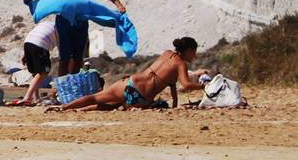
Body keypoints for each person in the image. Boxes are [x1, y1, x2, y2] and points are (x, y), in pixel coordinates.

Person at [47, 37, 208, 111]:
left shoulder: (167, 54)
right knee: (114, 104)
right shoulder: (181, 64)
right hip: (141, 98)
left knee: (99, 98)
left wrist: (174, 103)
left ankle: (65, 107)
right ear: (188, 50)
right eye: (194, 52)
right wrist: (203, 85)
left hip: (130, 83)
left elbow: (170, 82)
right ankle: (83, 109)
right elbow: (185, 85)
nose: (194, 56)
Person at [12, 18, 57, 105]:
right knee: (43, 72)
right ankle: (27, 97)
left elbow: (34, 36)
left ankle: (36, 98)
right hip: (40, 44)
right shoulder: (61, 29)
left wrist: (25, 54)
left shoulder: (47, 23)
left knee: (35, 72)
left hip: (28, 43)